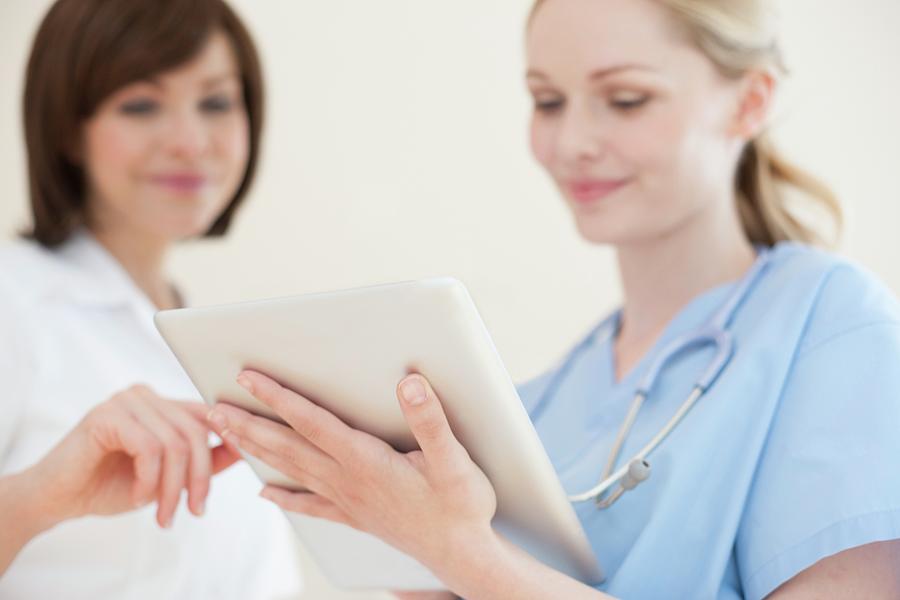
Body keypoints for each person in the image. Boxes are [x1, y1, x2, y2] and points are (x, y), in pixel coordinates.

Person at [205, 0, 900, 598]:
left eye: (626, 100)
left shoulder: (834, 327)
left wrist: (461, 555)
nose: (572, 142)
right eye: (547, 101)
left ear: (750, 101)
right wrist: (401, 536)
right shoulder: (540, 400)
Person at [0, 0, 300, 598]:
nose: (191, 142)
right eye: (140, 105)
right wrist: (41, 494)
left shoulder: (202, 336)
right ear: (68, 129)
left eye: (216, 102)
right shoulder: (14, 302)